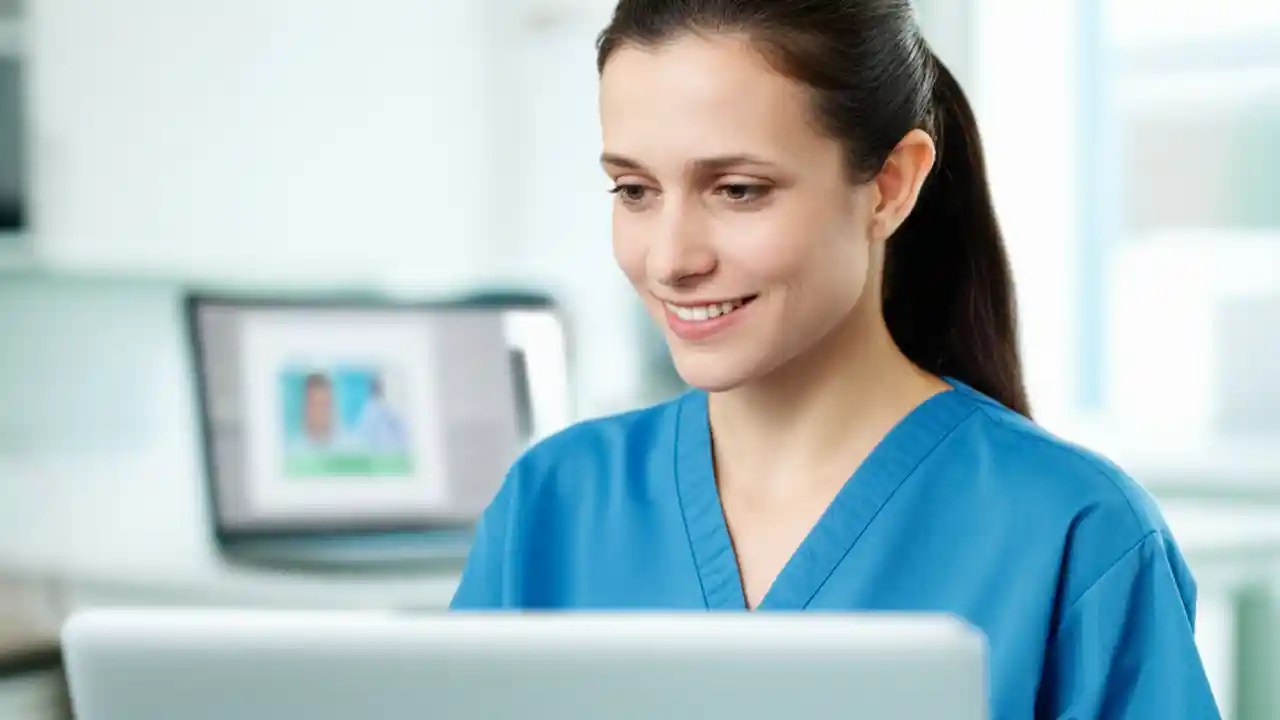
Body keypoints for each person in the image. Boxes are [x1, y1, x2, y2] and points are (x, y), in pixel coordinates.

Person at [452, 1, 1219, 717]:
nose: (670, 259)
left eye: (739, 190)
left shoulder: (1074, 532)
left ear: (889, 186)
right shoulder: (552, 505)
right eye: (634, 190)